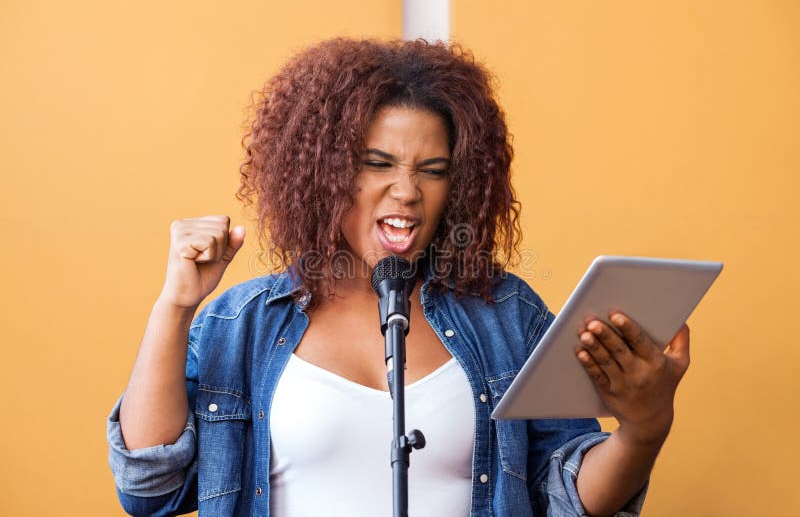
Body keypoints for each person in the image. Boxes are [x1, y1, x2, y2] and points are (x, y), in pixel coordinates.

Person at [107, 38, 690, 517]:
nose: (408, 191)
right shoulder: (244, 322)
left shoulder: (506, 312)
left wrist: (644, 427)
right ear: (321, 172)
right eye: (377, 164)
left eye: (432, 171)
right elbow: (150, 490)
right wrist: (175, 306)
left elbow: (565, 500)